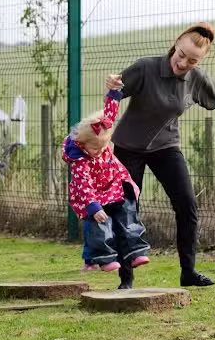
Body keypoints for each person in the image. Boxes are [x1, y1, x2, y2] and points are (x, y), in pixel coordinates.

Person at [110, 22, 215, 287]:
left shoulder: (196, 79)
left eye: (192, 61)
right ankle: (126, 279)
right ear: (176, 43)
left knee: (187, 204)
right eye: (181, 55)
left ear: (200, 60)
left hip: (166, 147)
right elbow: (115, 93)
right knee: (128, 208)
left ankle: (188, 272)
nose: (183, 63)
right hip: (128, 147)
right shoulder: (146, 68)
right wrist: (110, 94)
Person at [63, 78, 151, 289]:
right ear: (82, 143)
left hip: (114, 183)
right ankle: (104, 257)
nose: (100, 151)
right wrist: (93, 207)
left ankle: (136, 251)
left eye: (103, 147)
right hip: (93, 195)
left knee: (128, 215)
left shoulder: (101, 133)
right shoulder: (79, 160)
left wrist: (114, 92)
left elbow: (110, 113)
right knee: (99, 222)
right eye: (95, 148)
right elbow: (83, 185)